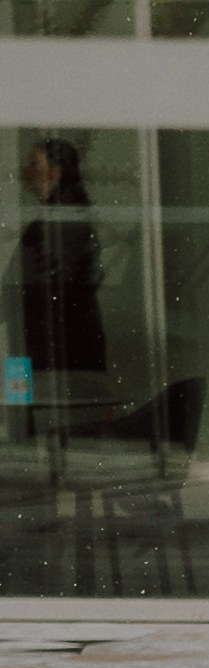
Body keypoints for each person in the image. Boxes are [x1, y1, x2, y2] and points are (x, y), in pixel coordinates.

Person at [11, 138, 109, 441]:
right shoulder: (57, 216)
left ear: (55, 172)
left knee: (52, 429)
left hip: (54, 345)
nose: (24, 171)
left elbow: (53, 283)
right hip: (40, 341)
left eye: (33, 164)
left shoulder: (63, 219)